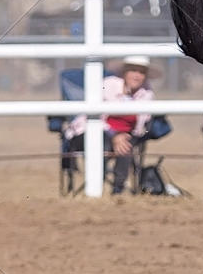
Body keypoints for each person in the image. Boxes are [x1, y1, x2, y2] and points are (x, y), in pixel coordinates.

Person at [63, 55, 156, 195]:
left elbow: (141, 126)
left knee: (125, 146)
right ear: (124, 72)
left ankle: (117, 190)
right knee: (104, 142)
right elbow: (93, 118)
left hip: (126, 136)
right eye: (133, 71)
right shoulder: (108, 84)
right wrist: (114, 135)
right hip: (91, 131)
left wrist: (122, 136)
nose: (137, 76)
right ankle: (95, 189)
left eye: (141, 72)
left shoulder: (147, 93)